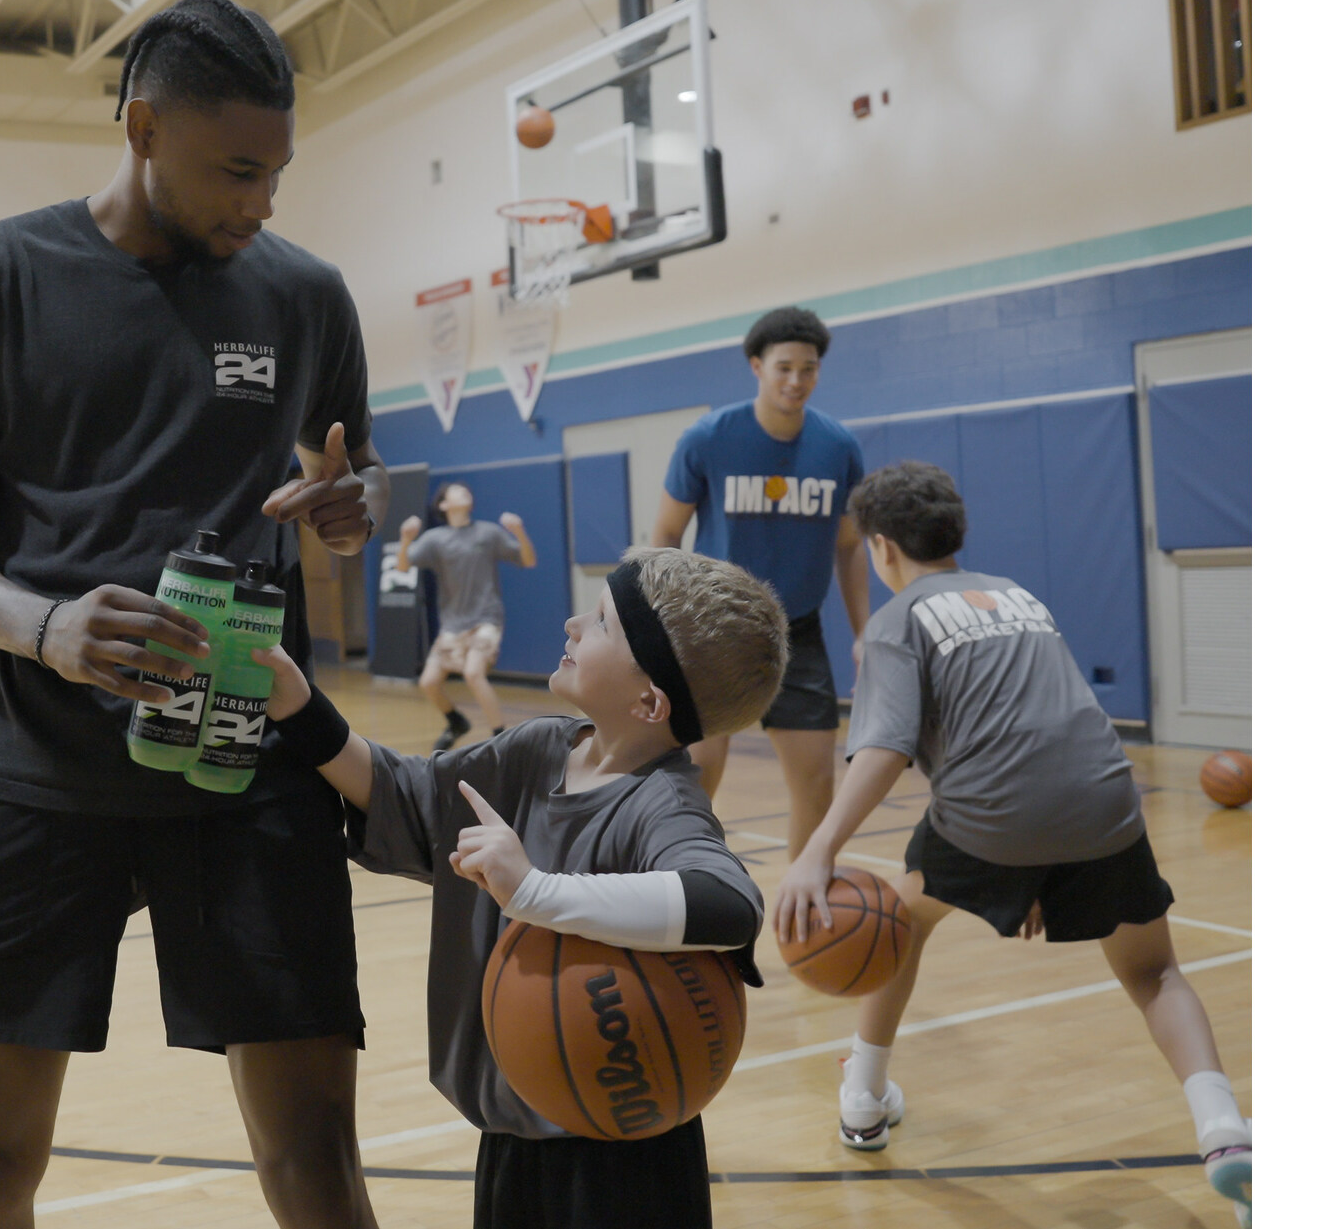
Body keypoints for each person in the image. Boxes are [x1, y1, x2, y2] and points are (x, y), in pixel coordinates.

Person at [0, 0, 390, 1229]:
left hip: (252, 769)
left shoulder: (307, 296)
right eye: (235, 170)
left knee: (318, 1159)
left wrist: (349, 508)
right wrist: (46, 627)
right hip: (39, 767)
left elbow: (348, 480)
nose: (260, 202)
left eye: (277, 172)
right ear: (140, 124)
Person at [772, 462, 1251, 1224]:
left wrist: (817, 849)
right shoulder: (1017, 595)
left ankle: (862, 1099)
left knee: (895, 921)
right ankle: (1223, 1129)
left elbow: (884, 749)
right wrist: (1034, 872)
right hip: (1105, 801)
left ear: (881, 548)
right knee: (1157, 973)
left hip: (990, 814)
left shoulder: (896, 622)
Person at [250, 546, 783, 1229]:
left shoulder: (663, 805)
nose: (570, 625)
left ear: (648, 700)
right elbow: (403, 795)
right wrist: (298, 705)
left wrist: (533, 890)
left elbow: (728, 902)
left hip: (626, 1157)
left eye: (598, 623)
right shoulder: (533, 751)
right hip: (513, 1130)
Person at [653, 307, 870, 858]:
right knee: (696, 777)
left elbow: (849, 546)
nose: (796, 381)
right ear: (757, 366)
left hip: (799, 630)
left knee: (817, 780)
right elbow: (666, 535)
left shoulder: (839, 447)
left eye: (808, 369)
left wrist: (864, 630)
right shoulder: (708, 437)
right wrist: (656, 626)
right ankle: (683, 889)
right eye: (784, 368)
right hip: (713, 627)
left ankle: (804, 900)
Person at [396, 482, 536, 751]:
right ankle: (456, 722)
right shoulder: (436, 539)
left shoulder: (488, 533)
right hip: (452, 623)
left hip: (487, 618)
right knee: (429, 682)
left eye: (467, 491)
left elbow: (528, 560)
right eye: (457, 491)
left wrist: (519, 531)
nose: (465, 493)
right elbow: (402, 567)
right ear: (443, 505)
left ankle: (500, 739)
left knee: (473, 673)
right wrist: (405, 539)